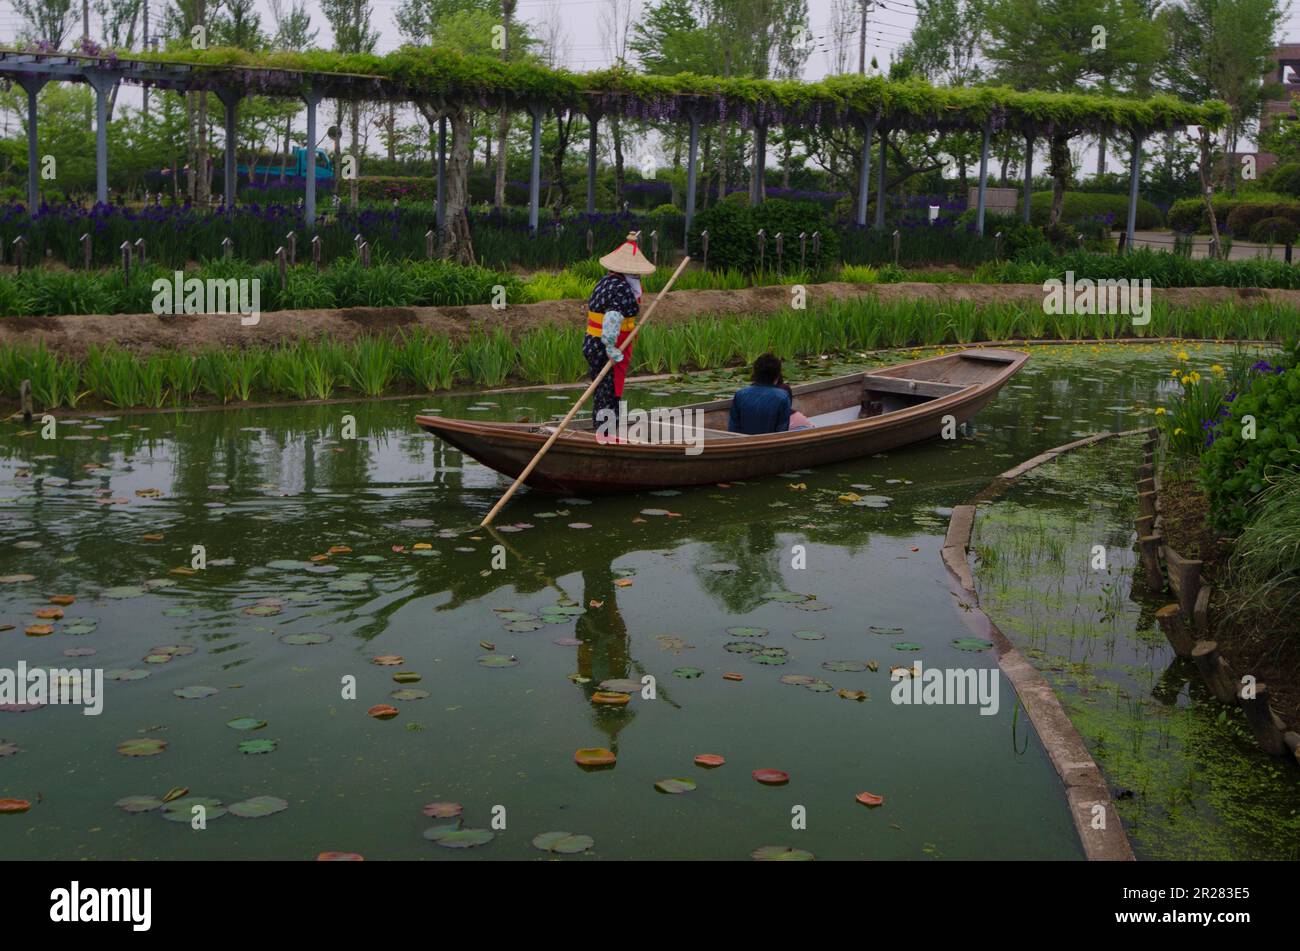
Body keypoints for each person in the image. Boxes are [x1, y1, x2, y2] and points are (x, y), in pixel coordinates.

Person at [583, 232, 655, 440]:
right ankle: (606, 435)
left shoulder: (605, 281)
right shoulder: (622, 288)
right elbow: (612, 318)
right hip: (605, 346)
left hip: (592, 344)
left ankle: (603, 430)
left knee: (601, 390)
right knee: (608, 393)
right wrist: (611, 346)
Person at [729, 353, 793, 435]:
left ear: (754, 373)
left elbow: (733, 429)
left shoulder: (740, 394)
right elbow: (782, 432)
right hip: (770, 444)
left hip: (743, 444)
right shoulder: (783, 397)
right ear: (777, 377)